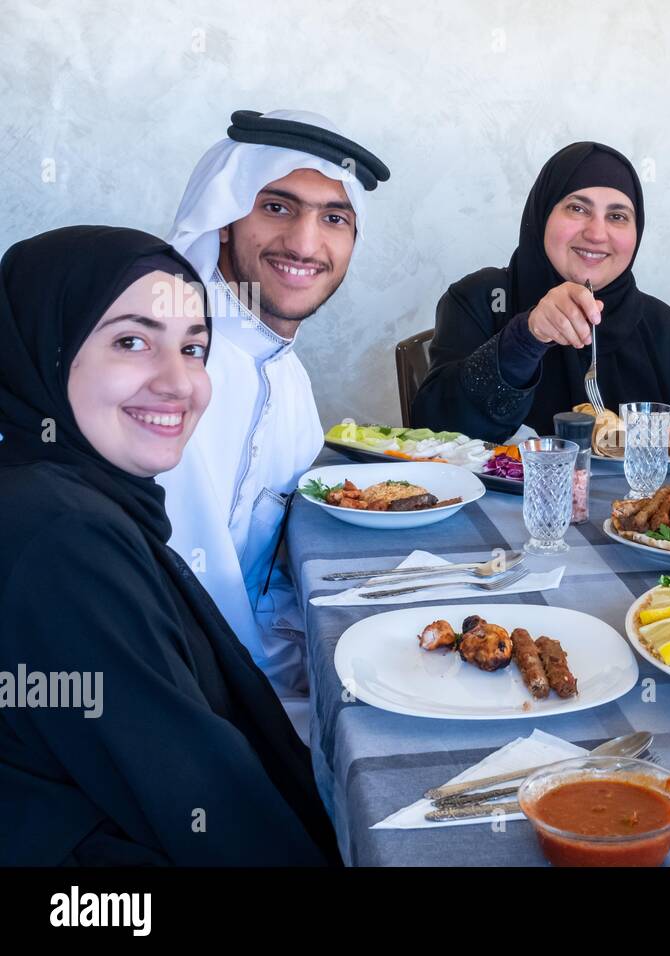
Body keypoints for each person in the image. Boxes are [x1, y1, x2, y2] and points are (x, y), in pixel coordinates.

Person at [0, 226, 339, 864]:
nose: (179, 383)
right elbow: (194, 796)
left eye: (192, 348)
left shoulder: (61, 491)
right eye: (131, 342)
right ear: (45, 348)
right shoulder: (61, 538)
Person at [158, 110, 390, 711]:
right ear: (225, 220)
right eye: (277, 207)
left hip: (266, 666)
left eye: (334, 218)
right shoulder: (164, 373)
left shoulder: (286, 373)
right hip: (187, 698)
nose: (305, 245)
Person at [411, 141, 670, 443]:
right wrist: (525, 338)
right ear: (543, 213)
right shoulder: (482, 300)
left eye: (617, 216)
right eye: (577, 208)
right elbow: (435, 432)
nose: (596, 234)